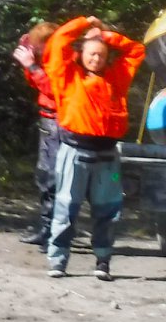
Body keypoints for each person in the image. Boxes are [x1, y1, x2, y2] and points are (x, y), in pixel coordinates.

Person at [41, 16, 146, 280]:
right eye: (91, 54)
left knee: (109, 209)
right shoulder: (67, 76)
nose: (96, 59)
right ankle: (58, 261)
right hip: (74, 153)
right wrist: (84, 24)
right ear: (81, 53)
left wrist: (105, 36)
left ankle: (102, 261)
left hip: (108, 158)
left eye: (101, 55)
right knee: (66, 208)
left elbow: (136, 50)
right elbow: (58, 43)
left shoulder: (117, 79)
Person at [12, 22, 61, 247]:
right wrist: (29, 64)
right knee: (45, 176)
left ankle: (53, 231)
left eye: (38, 45)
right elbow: (37, 85)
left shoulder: (62, 61)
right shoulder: (47, 61)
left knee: (52, 177)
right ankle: (47, 228)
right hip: (48, 121)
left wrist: (32, 65)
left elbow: (53, 90)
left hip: (57, 123)